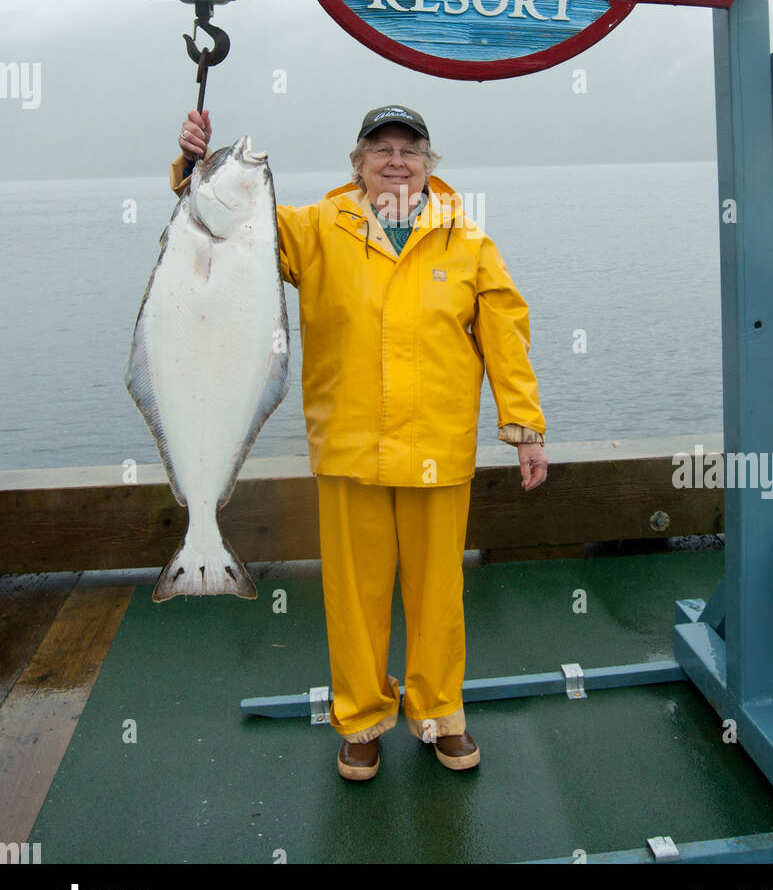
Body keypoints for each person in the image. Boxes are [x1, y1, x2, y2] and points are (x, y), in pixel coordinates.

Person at [171, 103, 547, 780]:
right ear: (358, 163)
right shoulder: (313, 229)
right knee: (354, 599)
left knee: (439, 598)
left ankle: (439, 716)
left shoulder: (467, 240)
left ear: (430, 164)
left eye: (410, 149)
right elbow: (224, 226)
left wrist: (522, 427)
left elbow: (504, 335)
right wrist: (193, 167)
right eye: (381, 149)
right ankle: (362, 721)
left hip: (438, 450)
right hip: (349, 448)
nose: (395, 159)